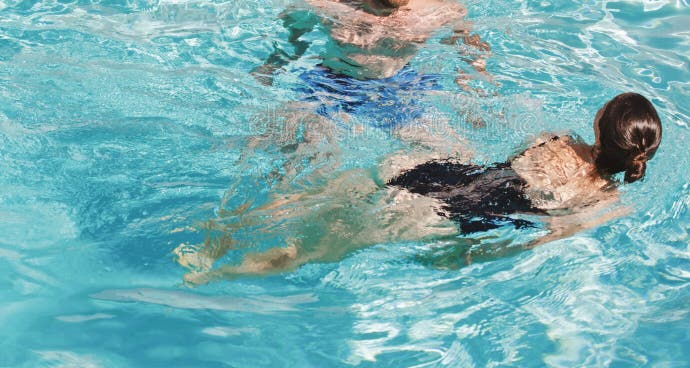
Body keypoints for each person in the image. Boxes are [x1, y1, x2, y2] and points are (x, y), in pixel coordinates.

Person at [176, 92, 663, 284]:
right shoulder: (605, 204)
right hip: (454, 219)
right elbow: (534, 242)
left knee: (314, 198)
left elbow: (500, 164)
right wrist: (461, 258)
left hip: (438, 173)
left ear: (600, 124)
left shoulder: (556, 138)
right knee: (315, 248)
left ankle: (218, 234)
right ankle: (212, 278)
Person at [252, 0, 489, 131]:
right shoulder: (326, 8)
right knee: (298, 150)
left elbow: (470, 48)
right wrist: (271, 67)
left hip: (399, 84)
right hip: (332, 83)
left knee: (446, 152)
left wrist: (470, 90)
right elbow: (292, 34)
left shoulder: (441, 12)